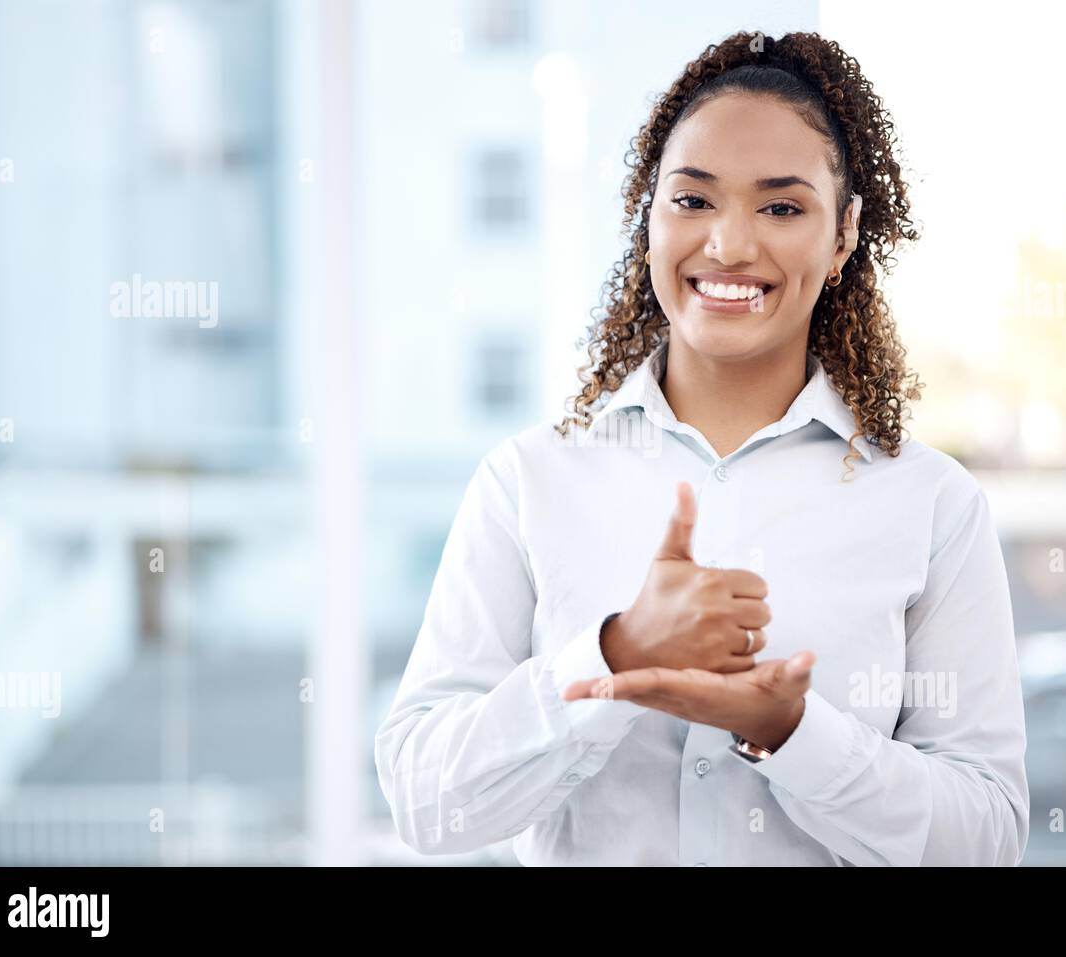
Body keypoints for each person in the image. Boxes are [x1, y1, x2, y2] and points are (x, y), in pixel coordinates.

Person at [374, 29, 1029, 866]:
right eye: (693, 200)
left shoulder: (932, 506)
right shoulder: (529, 480)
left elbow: (986, 840)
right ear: (648, 216)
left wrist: (791, 733)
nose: (728, 245)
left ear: (843, 236)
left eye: (782, 206)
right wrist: (617, 655)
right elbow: (427, 804)